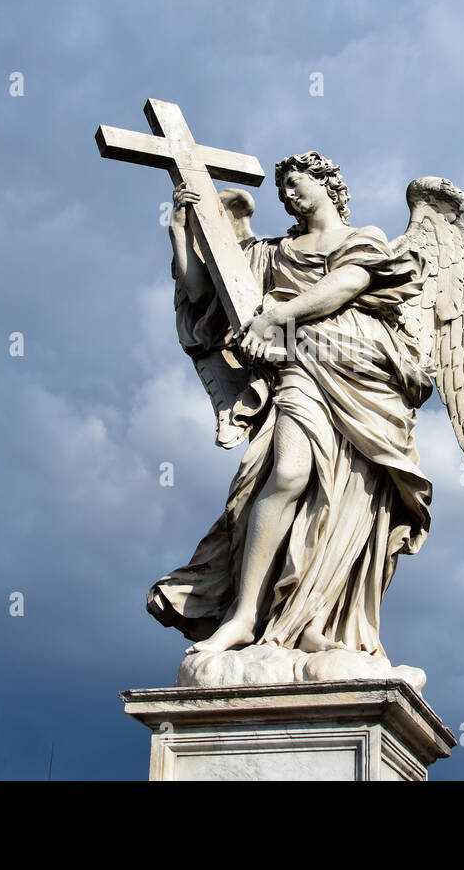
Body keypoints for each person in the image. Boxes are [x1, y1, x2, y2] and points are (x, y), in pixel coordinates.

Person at [149, 151, 434, 657]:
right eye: (283, 191)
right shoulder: (270, 253)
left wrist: (277, 316)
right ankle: (244, 616)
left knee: (350, 496)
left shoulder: (361, 239)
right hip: (301, 364)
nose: (289, 196)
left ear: (327, 182)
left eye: (297, 184)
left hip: (363, 373)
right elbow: (203, 292)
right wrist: (179, 228)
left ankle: (311, 618)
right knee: (289, 474)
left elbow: (345, 283)